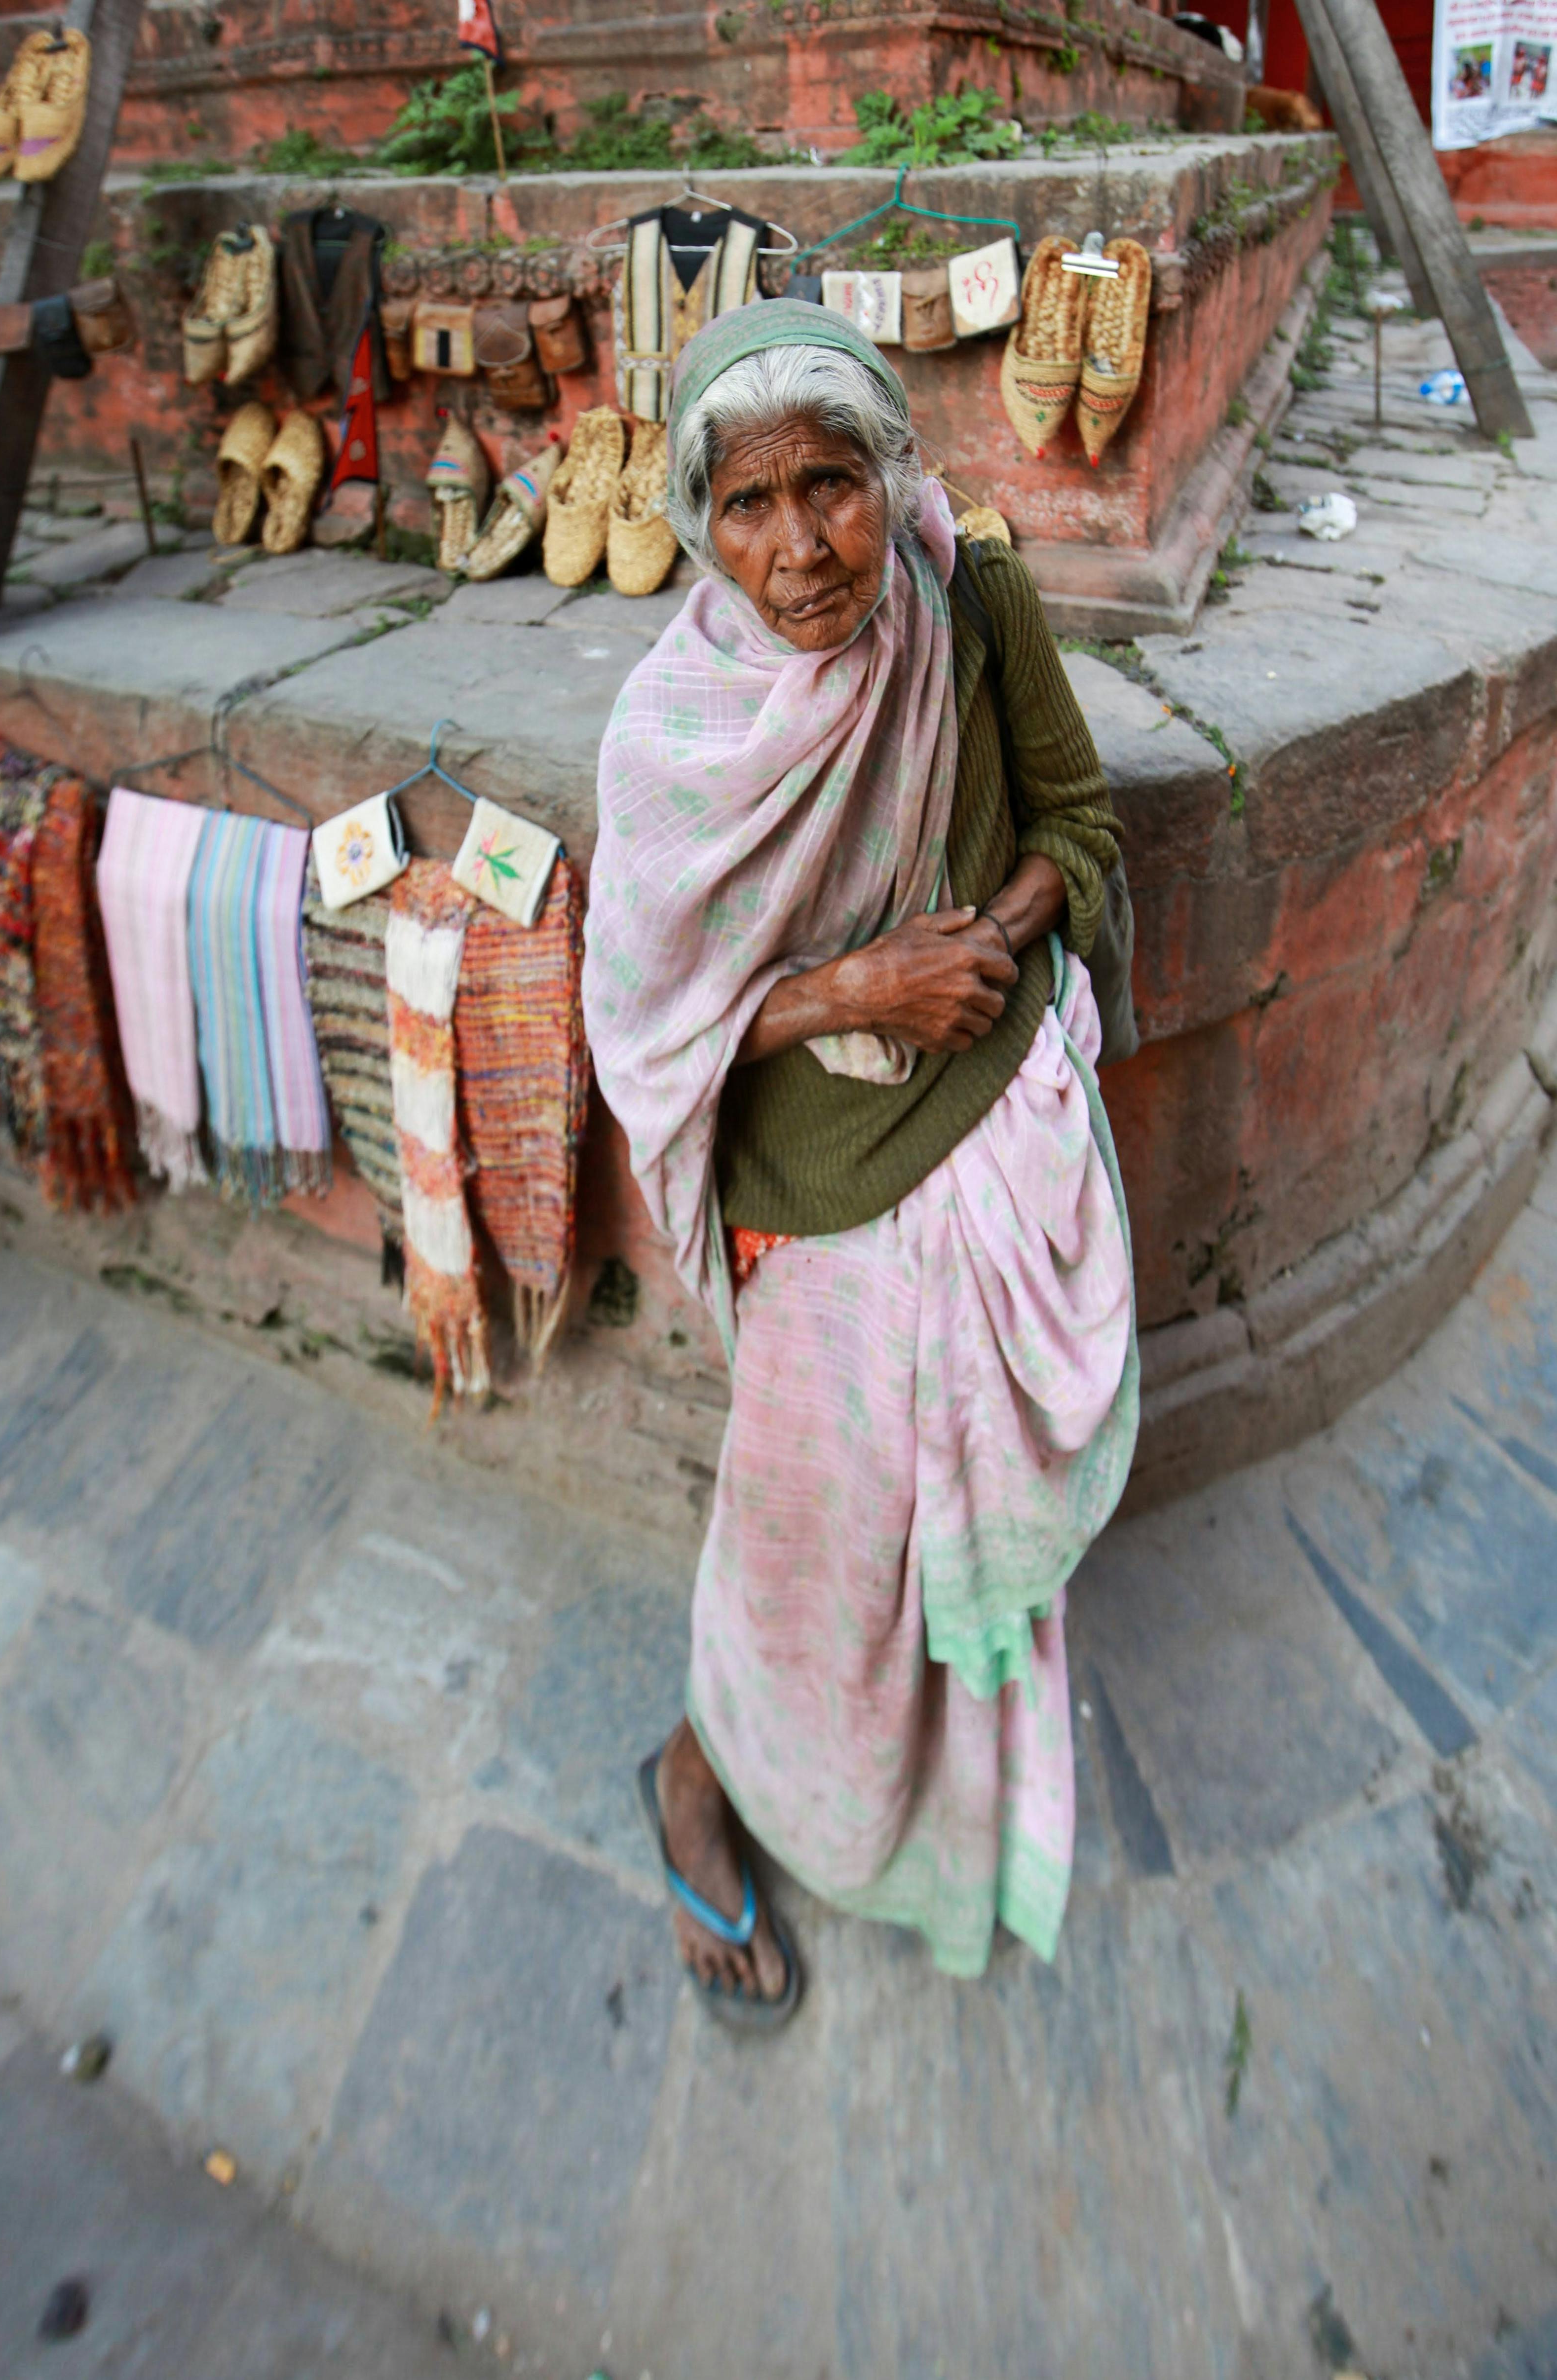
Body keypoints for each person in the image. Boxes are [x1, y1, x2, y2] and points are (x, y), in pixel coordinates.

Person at [584, 302, 1138, 2028]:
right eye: (747, 504)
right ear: (696, 519)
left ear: (890, 474)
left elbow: (1082, 824)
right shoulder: (675, 729)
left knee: (943, 1561)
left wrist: (998, 929)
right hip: (815, 1197)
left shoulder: (969, 602)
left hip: (995, 1134)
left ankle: (942, 1829)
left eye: (832, 483)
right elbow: (648, 1015)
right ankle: (702, 1772)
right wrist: (851, 988)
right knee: (804, 1553)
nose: (800, 545)